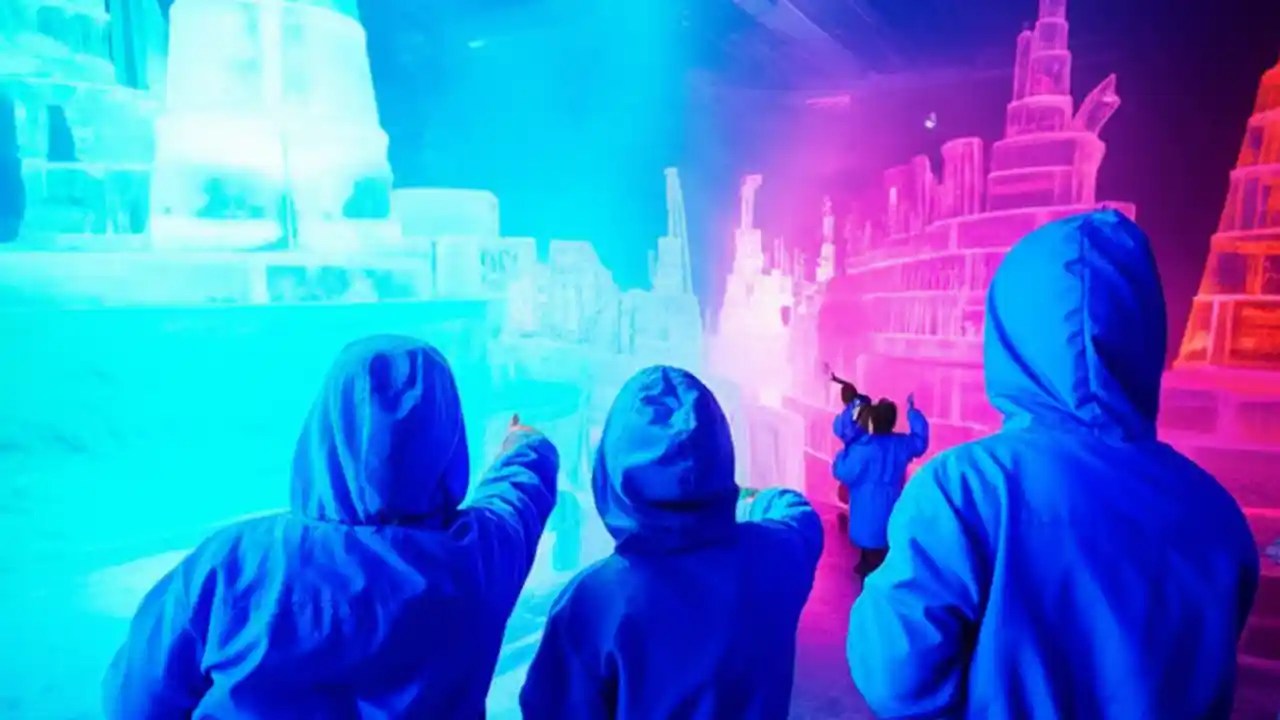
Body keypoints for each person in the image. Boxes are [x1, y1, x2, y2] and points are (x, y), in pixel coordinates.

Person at [847, 209, 1261, 719]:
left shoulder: (965, 488)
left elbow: (895, 675)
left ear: (1008, 332)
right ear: (1147, 329)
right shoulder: (1214, 509)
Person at [102, 335, 560, 718]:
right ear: (449, 436)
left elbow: (136, 699)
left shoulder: (231, 564)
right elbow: (517, 497)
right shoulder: (477, 560)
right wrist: (527, 443)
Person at [519, 366, 824, 719]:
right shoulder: (777, 555)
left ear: (610, 475)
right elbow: (799, 513)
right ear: (723, 456)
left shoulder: (592, 604)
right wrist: (748, 501)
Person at [831, 388, 929, 577]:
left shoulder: (862, 448)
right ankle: (876, 568)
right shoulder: (901, 444)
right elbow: (920, 441)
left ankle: (867, 571)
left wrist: (846, 449)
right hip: (892, 505)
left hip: (864, 508)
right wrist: (912, 412)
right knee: (885, 541)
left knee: (868, 542)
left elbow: (842, 471)